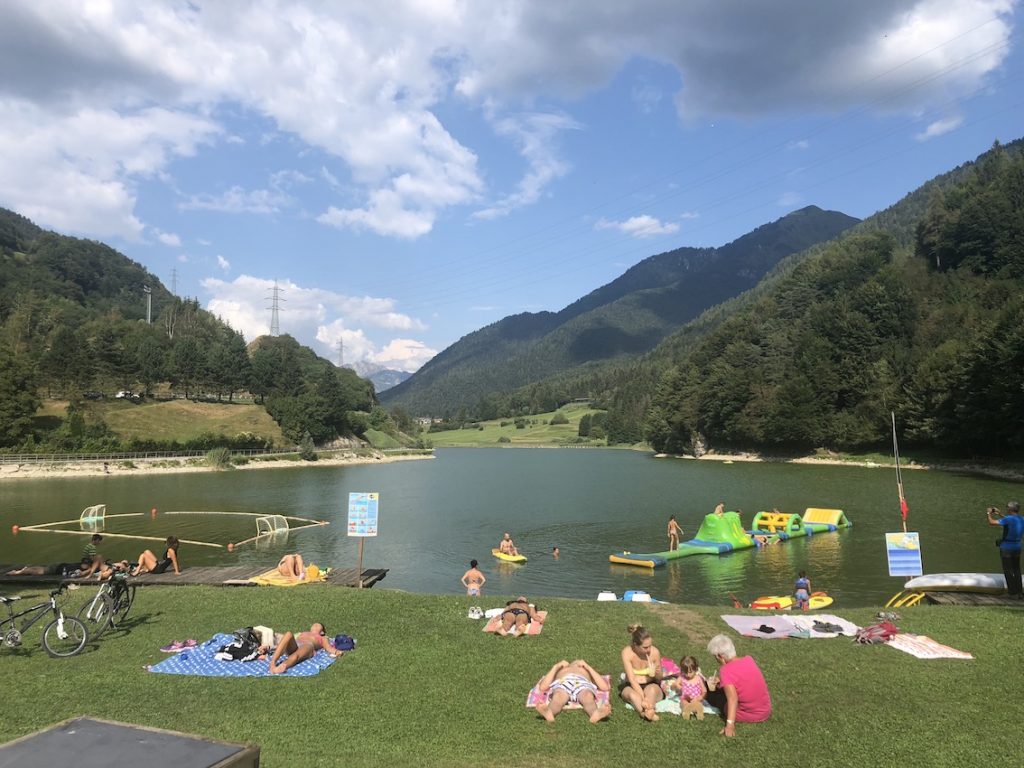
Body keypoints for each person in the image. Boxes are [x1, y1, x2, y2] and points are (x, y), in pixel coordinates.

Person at [704, 634, 771, 737]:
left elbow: (732, 699)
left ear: (720, 656)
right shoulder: (749, 659)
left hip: (750, 714)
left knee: (713, 695)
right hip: (765, 710)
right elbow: (743, 681)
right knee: (721, 690)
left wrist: (730, 724)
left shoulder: (725, 671)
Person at [535, 659, 611, 723]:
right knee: (558, 696)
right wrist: (556, 666)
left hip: (582, 682)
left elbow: (605, 687)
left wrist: (588, 667)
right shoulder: (560, 669)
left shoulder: (586, 670)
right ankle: (549, 712)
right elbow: (543, 687)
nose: (576, 663)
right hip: (564, 681)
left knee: (587, 696)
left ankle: (595, 713)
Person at [619, 624, 663, 721]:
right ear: (635, 645)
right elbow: (632, 679)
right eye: (645, 647)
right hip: (632, 684)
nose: (649, 650)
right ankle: (648, 713)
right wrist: (644, 698)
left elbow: (659, 679)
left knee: (651, 691)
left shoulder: (655, 652)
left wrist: (658, 673)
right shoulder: (627, 653)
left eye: (650, 646)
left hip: (651, 683)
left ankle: (647, 712)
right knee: (633, 696)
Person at [268, 622, 341, 674]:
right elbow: (285, 641)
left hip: (308, 645)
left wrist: (336, 652)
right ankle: (272, 664)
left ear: (322, 632)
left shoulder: (323, 637)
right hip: (296, 643)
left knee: (295, 656)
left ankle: (281, 667)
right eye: (314, 625)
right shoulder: (302, 633)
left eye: (318, 626)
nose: (315, 625)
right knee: (288, 634)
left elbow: (328, 647)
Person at [987, 501, 1023, 598]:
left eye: (1007, 508)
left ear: (1010, 509)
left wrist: (989, 513)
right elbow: (1008, 521)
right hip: (1017, 547)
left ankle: (1012, 593)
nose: (1007, 509)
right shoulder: (1021, 519)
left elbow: (991, 522)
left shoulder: (1008, 519)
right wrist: (999, 514)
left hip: (1007, 548)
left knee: (1008, 570)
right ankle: (1019, 592)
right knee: (1016, 570)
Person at [671, 655, 708, 720]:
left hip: (695, 698)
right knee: (683, 703)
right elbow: (673, 686)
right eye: (685, 672)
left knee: (697, 704)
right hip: (685, 698)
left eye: (690, 672)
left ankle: (698, 712)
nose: (688, 675)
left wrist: (700, 698)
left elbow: (704, 691)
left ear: (696, 669)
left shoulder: (698, 678)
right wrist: (677, 686)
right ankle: (686, 710)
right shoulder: (682, 677)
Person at [7, 557, 92, 577]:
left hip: (58, 565)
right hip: (55, 569)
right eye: (86, 564)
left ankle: (25, 569)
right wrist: (89, 570)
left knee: (41, 569)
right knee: (37, 572)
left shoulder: (78, 565)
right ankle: (16, 572)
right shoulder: (79, 569)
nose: (86, 566)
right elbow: (80, 574)